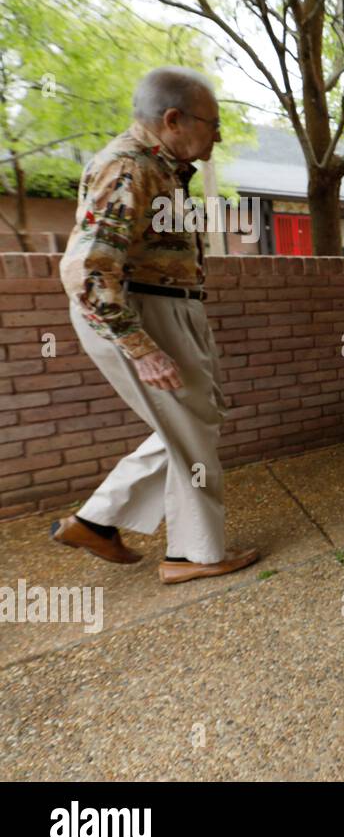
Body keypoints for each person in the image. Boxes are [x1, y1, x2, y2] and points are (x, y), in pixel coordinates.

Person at [51, 67, 258, 584]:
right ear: (173, 119)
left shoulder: (157, 167)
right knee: (192, 430)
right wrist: (141, 348)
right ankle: (194, 555)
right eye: (213, 123)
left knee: (192, 424)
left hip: (161, 305)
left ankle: (96, 521)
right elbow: (90, 267)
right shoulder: (130, 167)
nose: (218, 134)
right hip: (143, 308)